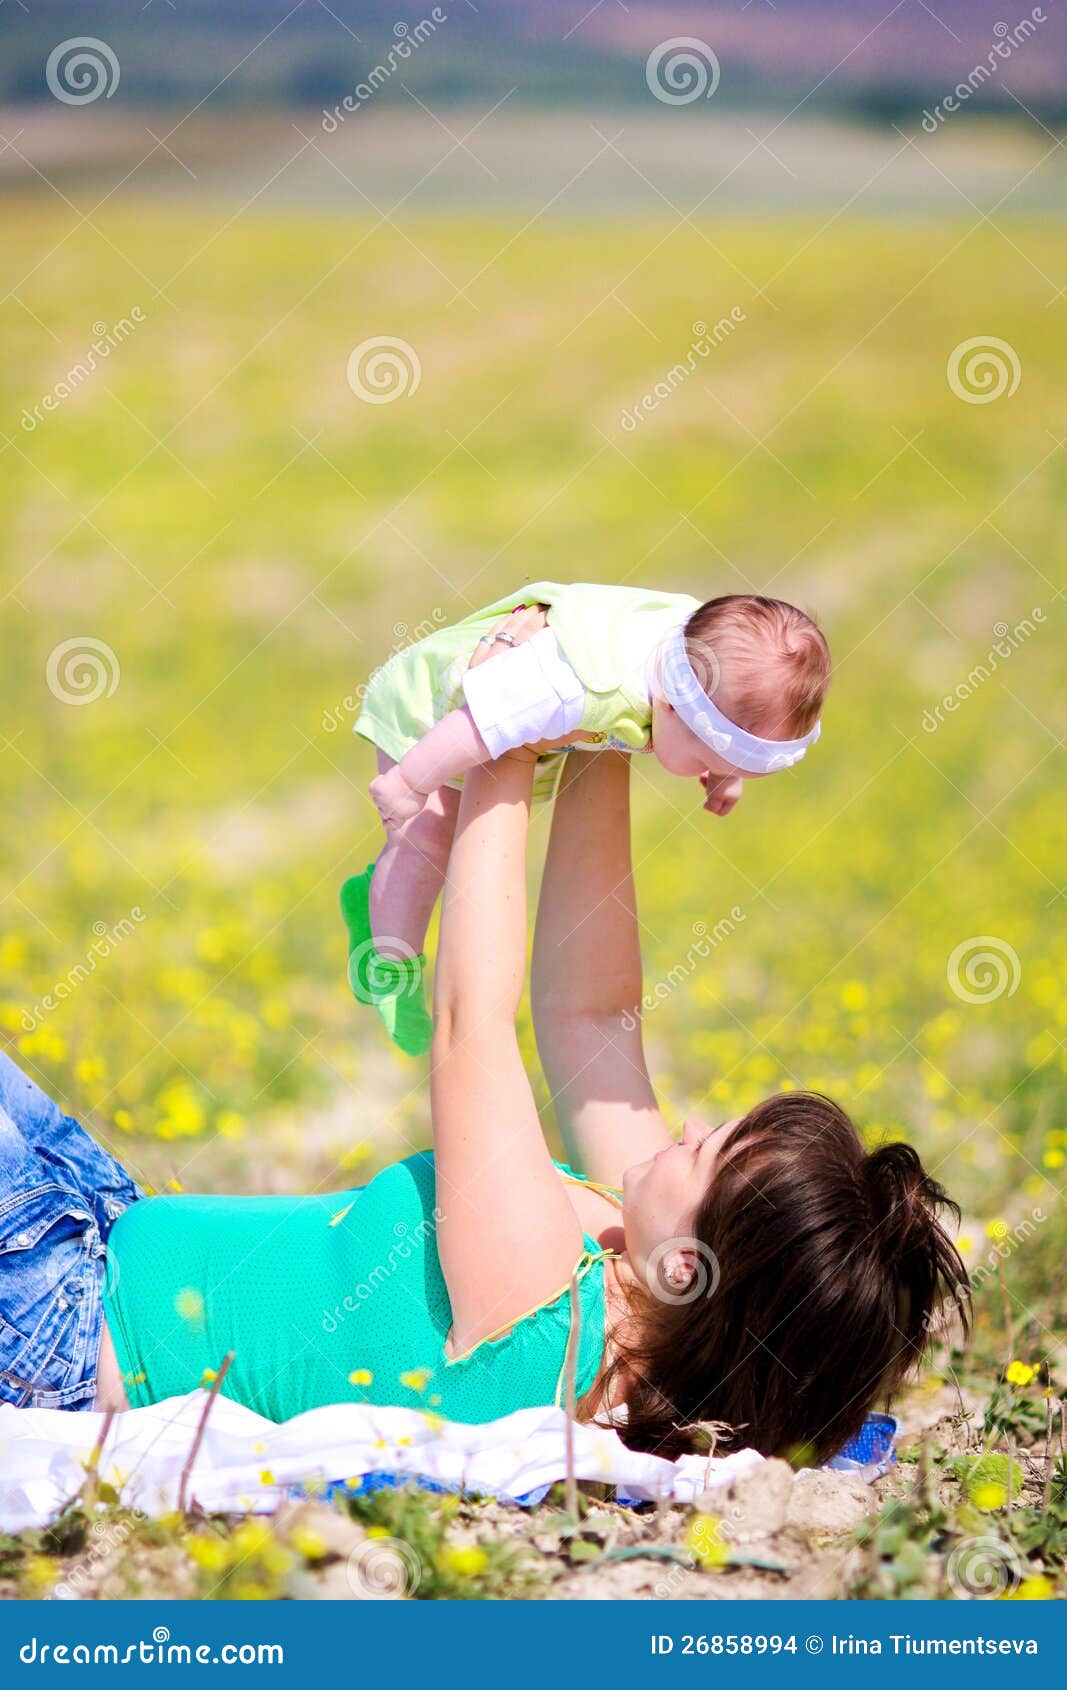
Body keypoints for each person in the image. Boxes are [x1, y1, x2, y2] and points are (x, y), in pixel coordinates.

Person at [0, 613, 966, 1463]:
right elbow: (589, 1010)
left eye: (708, 1148)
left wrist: (504, 731)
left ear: (692, 1267)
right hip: (91, 1216)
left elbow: (470, 1027)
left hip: (55, 1312)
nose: (689, 1125)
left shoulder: (548, 1308)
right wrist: (601, 720)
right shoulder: (644, 1263)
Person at [343, 586, 830, 1053]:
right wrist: (409, 783)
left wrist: (724, 774)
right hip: (431, 713)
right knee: (424, 839)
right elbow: (479, 720)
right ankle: (389, 963)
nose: (714, 773)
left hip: (484, 719)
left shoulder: (701, 661)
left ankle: (378, 904)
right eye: (714, 762)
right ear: (672, 705)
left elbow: (726, 721)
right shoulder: (575, 685)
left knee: (447, 846)